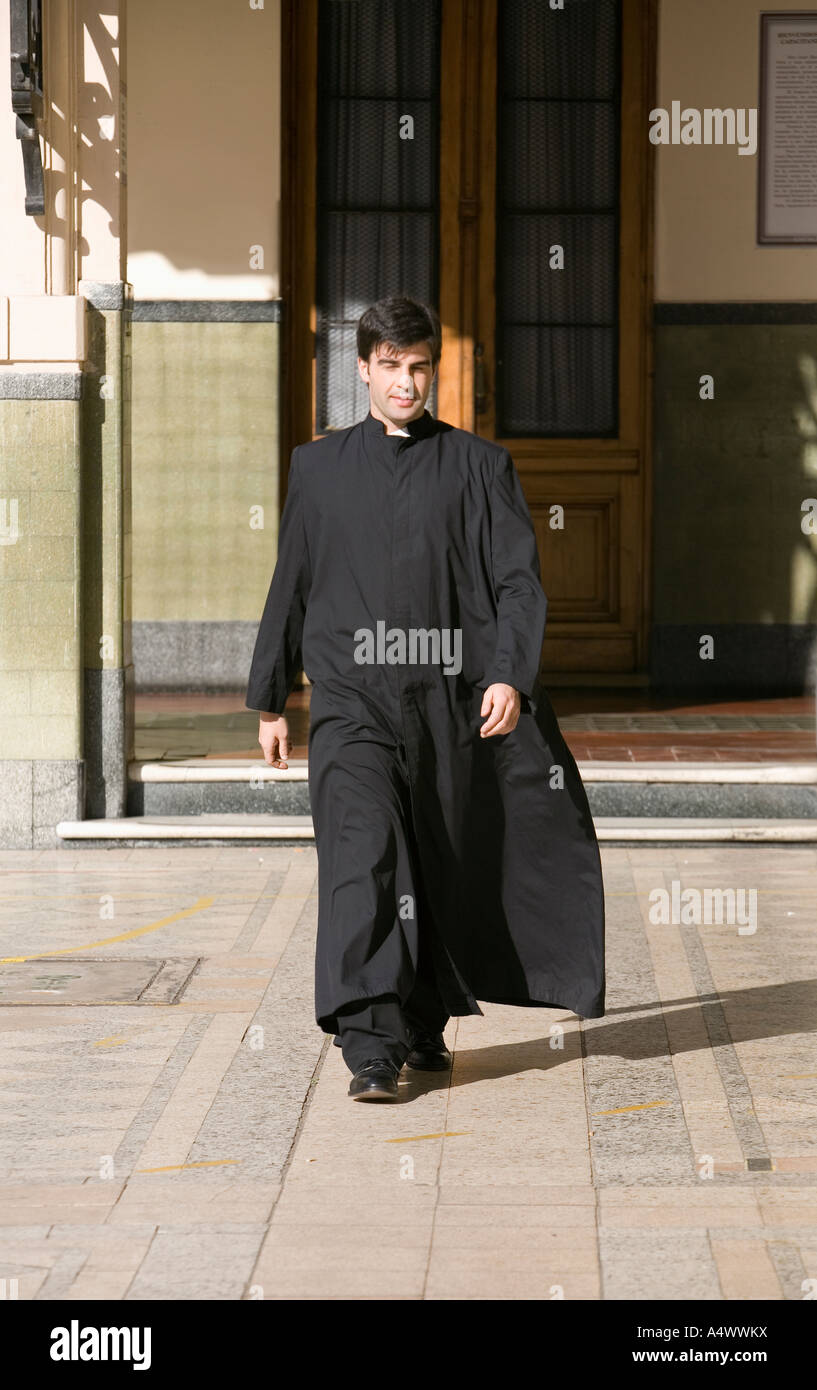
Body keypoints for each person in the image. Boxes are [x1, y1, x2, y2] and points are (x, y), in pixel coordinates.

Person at [245, 294, 605, 1101]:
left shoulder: (480, 467)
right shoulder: (318, 467)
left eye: (418, 368)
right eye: (390, 367)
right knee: (361, 859)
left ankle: (421, 1021)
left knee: (435, 863)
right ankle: (370, 1044)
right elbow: (292, 583)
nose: (405, 383)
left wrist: (509, 672)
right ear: (363, 368)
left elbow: (517, 582)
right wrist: (273, 698)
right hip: (348, 704)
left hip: (445, 704)